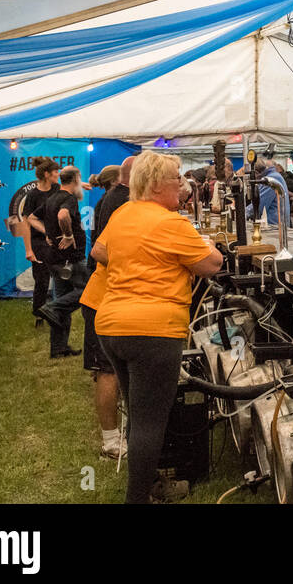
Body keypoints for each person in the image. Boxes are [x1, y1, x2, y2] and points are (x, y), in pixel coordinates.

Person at [91, 151, 223, 504]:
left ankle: (145, 489)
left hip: (112, 324)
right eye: (176, 179)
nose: (181, 186)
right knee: (150, 421)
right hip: (153, 329)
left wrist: (138, 259)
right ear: (154, 185)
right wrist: (203, 245)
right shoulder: (171, 224)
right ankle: (138, 499)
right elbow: (212, 264)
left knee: (138, 412)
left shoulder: (122, 214)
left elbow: (100, 250)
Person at [80, 157, 131, 459]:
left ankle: (119, 435)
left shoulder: (115, 199)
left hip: (110, 298)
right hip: (103, 299)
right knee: (107, 370)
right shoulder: (121, 203)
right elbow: (100, 251)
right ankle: (111, 443)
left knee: (112, 369)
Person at [33, 166, 89, 359]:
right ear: (75, 179)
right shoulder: (68, 199)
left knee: (63, 302)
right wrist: (68, 234)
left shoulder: (52, 198)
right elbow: (63, 215)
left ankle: (58, 348)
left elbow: (32, 218)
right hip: (71, 258)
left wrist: (47, 233)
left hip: (55, 259)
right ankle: (51, 308)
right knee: (86, 291)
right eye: (79, 179)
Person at [17, 157, 61, 328]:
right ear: (46, 174)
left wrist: (83, 185)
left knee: (60, 277)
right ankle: (40, 314)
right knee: (42, 281)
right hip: (39, 243)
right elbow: (26, 224)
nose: (58, 174)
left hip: (56, 241)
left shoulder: (58, 189)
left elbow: (72, 185)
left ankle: (58, 312)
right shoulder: (33, 196)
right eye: (56, 172)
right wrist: (29, 250)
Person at [254, 158, 289, 228]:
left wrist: (241, 213)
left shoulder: (269, 180)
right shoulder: (274, 175)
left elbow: (259, 205)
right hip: (278, 225)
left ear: (256, 172)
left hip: (275, 227)